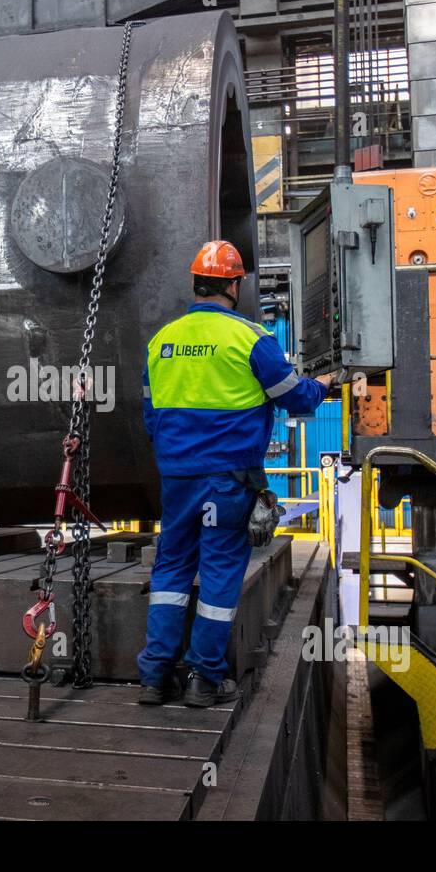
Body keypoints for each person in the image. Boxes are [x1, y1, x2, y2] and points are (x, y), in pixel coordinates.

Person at [138, 240, 335, 707]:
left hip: (178, 478)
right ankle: (205, 679)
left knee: (171, 568)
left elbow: (150, 417)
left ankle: (155, 677)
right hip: (227, 479)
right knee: (220, 572)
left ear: (196, 284)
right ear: (234, 285)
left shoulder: (161, 341)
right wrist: (325, 383)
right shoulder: (251, 339)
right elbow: (296, 397)